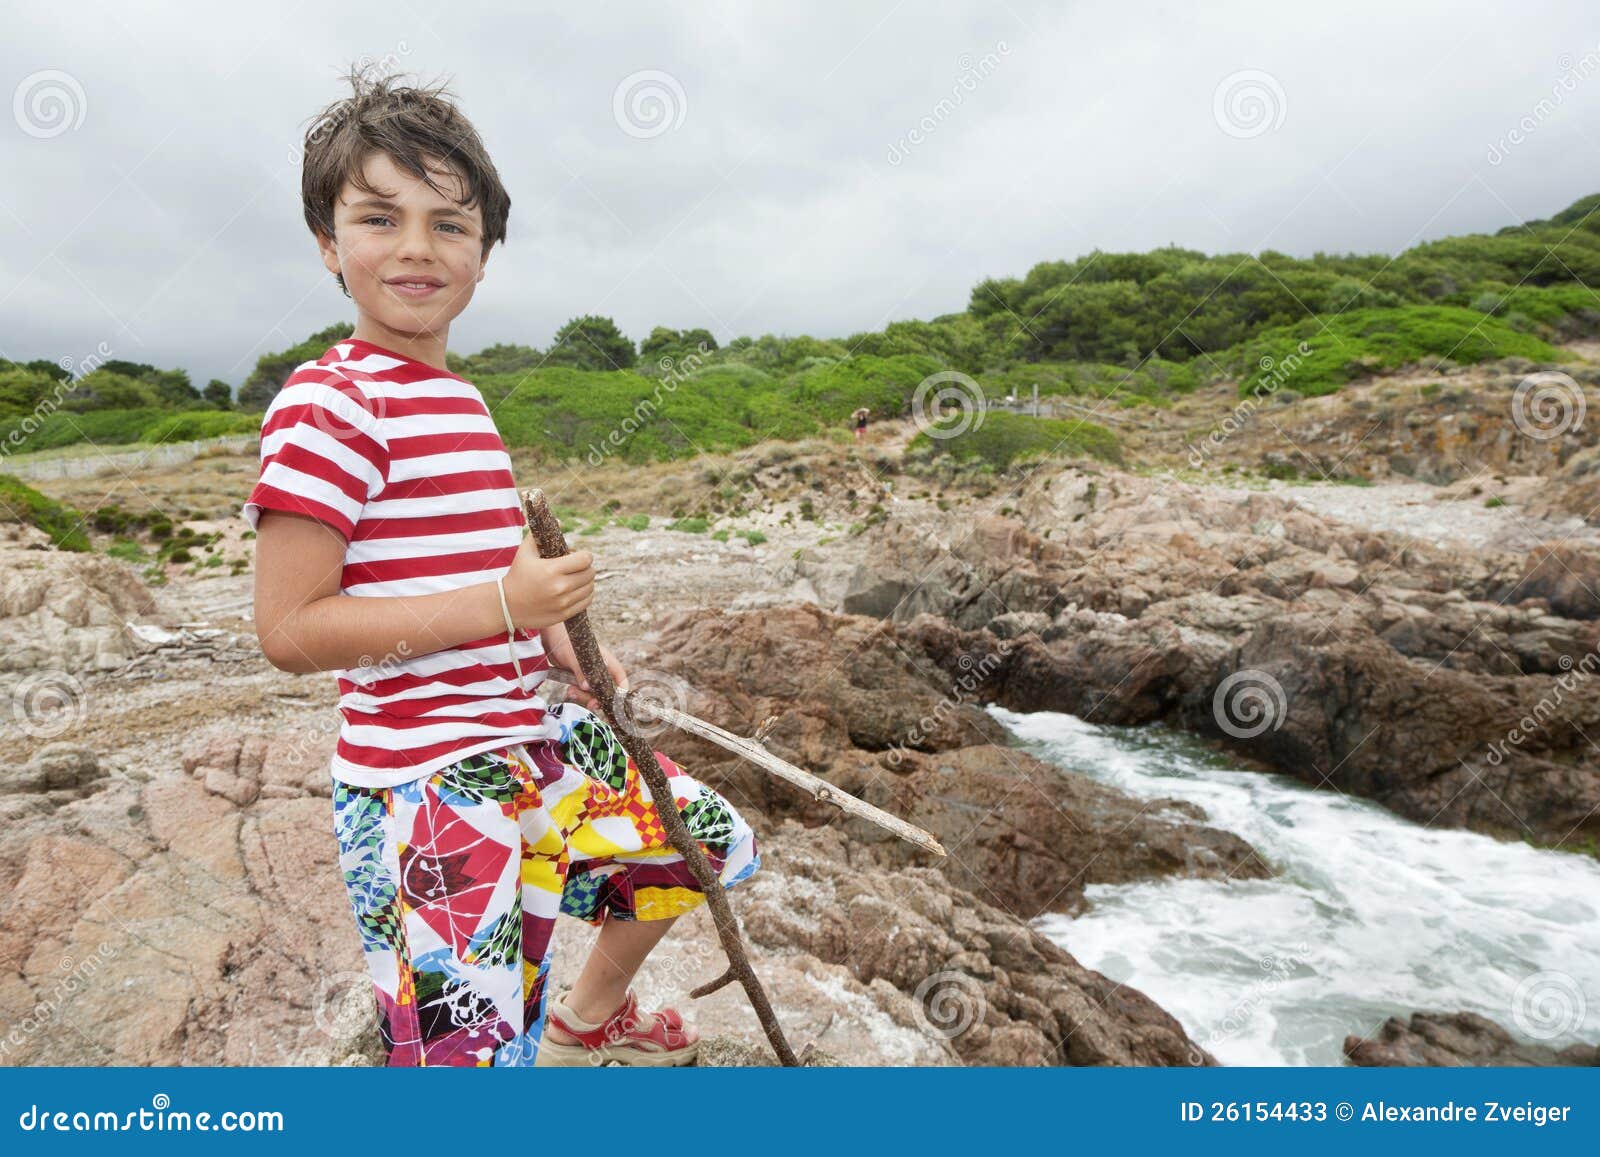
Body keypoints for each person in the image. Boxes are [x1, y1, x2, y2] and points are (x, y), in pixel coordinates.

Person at [242, 66, 759, 1068]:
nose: (416, 249)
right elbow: (289, 629)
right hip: (429, 787)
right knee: (469, 1058)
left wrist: (565, 646)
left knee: (699, 840)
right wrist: (499, 601)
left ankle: (590, 1016)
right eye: (380, 219)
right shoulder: (327, 402)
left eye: (449, 224)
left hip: (538, 745)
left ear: (485, 250)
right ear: (326, 245)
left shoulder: (463, 400)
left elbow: (491, 564)